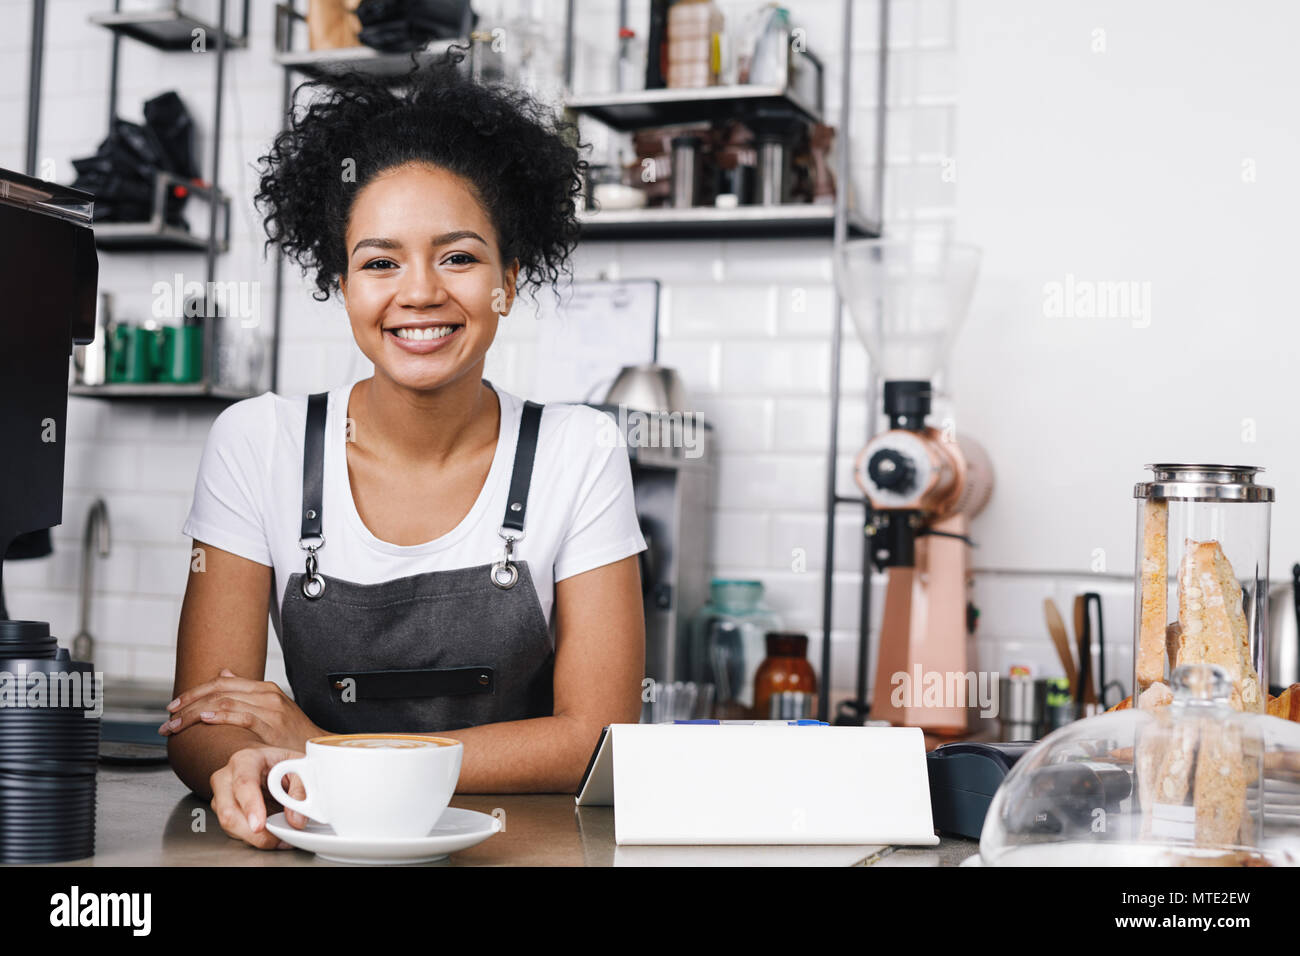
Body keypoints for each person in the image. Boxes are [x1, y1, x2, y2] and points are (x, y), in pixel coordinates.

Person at [164, 47, 646, 849]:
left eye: (459, 257)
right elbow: (201, 719)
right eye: (379, 262)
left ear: (509, 280)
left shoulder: (578, 450)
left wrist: (323, 752)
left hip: (525, 852)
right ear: (343, 284)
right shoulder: (259, 443)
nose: (420, 292)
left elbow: (594, 739)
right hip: (315, 843)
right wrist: (244, 763)